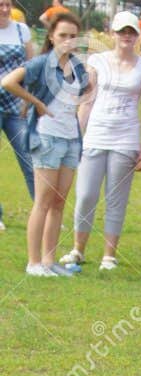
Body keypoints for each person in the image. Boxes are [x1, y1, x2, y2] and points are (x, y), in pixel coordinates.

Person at [62, 11, 141, 272]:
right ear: (113, 33)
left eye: (132, 32)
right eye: (122, 31)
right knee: (86, 195)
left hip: (125, 139)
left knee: (116, 198)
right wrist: (76, 137)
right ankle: (78, 249)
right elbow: (87, 101)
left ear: (137, 36)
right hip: (95, 135)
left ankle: (109, 255)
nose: (127, 36)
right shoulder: (97, 60)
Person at [3, 8, 89, 275]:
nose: (68, 40)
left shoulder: (77, 66)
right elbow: (8, 82)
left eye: (73, 36)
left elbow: (84, 91)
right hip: (47, 137)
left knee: (59, 202)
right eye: (63, 35)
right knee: (43, 201)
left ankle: (49, 261)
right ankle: (34, 262)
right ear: (51, 36)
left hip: (71, 138)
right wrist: (36, 102)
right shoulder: (41, 63)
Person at [0, 0, 35, 234]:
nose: (4, 9)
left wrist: (27, 99)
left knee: (31, 161)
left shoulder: (22, 30)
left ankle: (44, 211)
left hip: (17, 107)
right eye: (0, 5)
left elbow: (31, 66)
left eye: (7, 4)